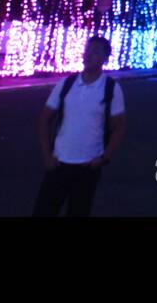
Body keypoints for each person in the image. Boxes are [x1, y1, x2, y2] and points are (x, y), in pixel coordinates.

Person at [33, 35, 126, 216]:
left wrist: (104, 157)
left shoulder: (111, 88)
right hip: (58, 163)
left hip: (88, 167)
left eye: (95, 51)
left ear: (105, 58)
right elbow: (44, 119)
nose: (88, 54)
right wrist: (47, 155)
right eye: (87, 49)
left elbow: (119, 127)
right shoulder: (67, 84)